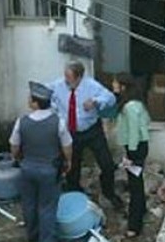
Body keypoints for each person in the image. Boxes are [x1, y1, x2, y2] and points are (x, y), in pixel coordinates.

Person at [48, 61, 124, 210]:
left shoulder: (91, 86)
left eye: (69, 77)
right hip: (70, 132)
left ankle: (108, 193)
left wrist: (96, 102)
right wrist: (54, 109)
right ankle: (75, 193)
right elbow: (44, 93)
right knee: (72, 165)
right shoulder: (58, 85)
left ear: (79, 77)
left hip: (92, 131)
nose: (65, 79)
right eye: (65, 75)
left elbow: (110, 98)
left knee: (107, 164)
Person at [10, 81, 73, 242]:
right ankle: (47, 241)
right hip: (50, 170)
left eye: (30, 98)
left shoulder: (21, 121)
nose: (28, 100)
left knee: (29, 204)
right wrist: (68, 161)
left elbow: (14, 146)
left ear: (35, 103)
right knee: (47, 206)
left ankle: (32, 235)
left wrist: (18, 158)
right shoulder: (58, 122)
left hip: (27, 168)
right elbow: (67, 146)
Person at [112, 75, 150, 237]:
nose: (112, 86)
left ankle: (134, 226)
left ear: (123, 87)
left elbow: (134, 130)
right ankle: (141, 211)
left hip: (135, 148)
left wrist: (131, 153)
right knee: (137, 182)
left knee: (135, 186)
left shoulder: (130, 107)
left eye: (115, 83)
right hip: (138, 146)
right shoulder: (136, 104)